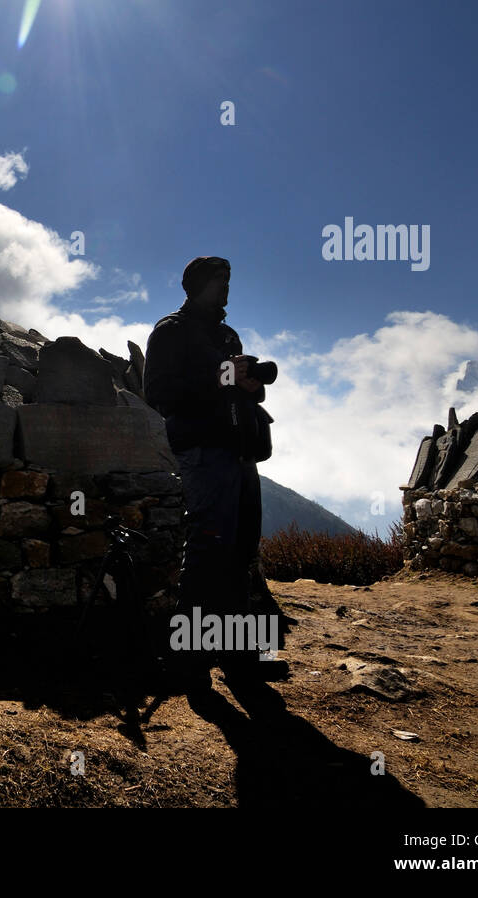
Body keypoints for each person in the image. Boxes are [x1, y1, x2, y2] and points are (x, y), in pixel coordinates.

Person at [143, 256, 286, 688]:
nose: (226, 288)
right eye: (218, 281)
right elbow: (158, 393)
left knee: (241, 552)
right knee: (208, 549)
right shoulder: (171, 331)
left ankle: (238, 657)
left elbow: (245, 390)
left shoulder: (226, 334)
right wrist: (224, 375)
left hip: (241, 451)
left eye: (227, 280)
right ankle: (188, 662)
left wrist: (250, 383)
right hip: (203, 451)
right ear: (196, 285)